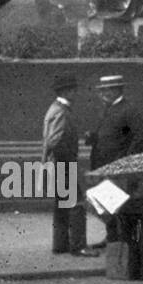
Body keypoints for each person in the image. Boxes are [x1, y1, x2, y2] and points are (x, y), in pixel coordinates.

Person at [89, 74, 143, 243]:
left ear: (118, 90)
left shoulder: (128, 109)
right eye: (102, 90)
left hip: (119, 169)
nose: (104, 93)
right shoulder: (108, 109)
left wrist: (127, 158)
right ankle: (112, 238)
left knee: (120, 206)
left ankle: (123, 241)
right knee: (107, 203)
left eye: (109, 90)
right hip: (105, 167)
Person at [42, 74, 97, 257]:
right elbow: (54, 141)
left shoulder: (55, 108)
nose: (75, 92)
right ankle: (79, 246)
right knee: (77, 204)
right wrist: (69, 163)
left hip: (57, 164)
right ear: (65, 91)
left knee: (61, 205)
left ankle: (60, 245)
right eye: (72, 89)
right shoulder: (61, 111)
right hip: (64, 163)